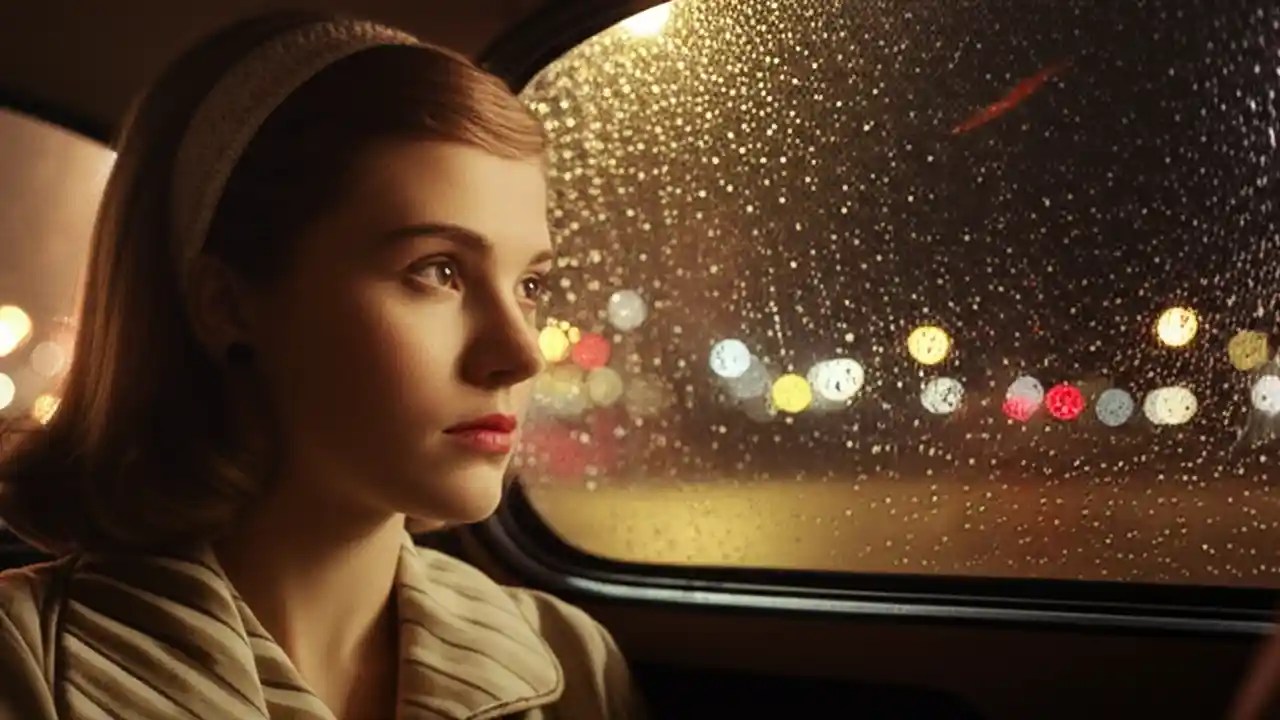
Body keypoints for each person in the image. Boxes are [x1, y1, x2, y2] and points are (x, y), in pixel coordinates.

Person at [0, 12, 643, 719]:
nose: (519, 355)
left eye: (530, 285)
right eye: (437, 270)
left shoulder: (573, 661)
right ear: (228, 304)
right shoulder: (22, 666)